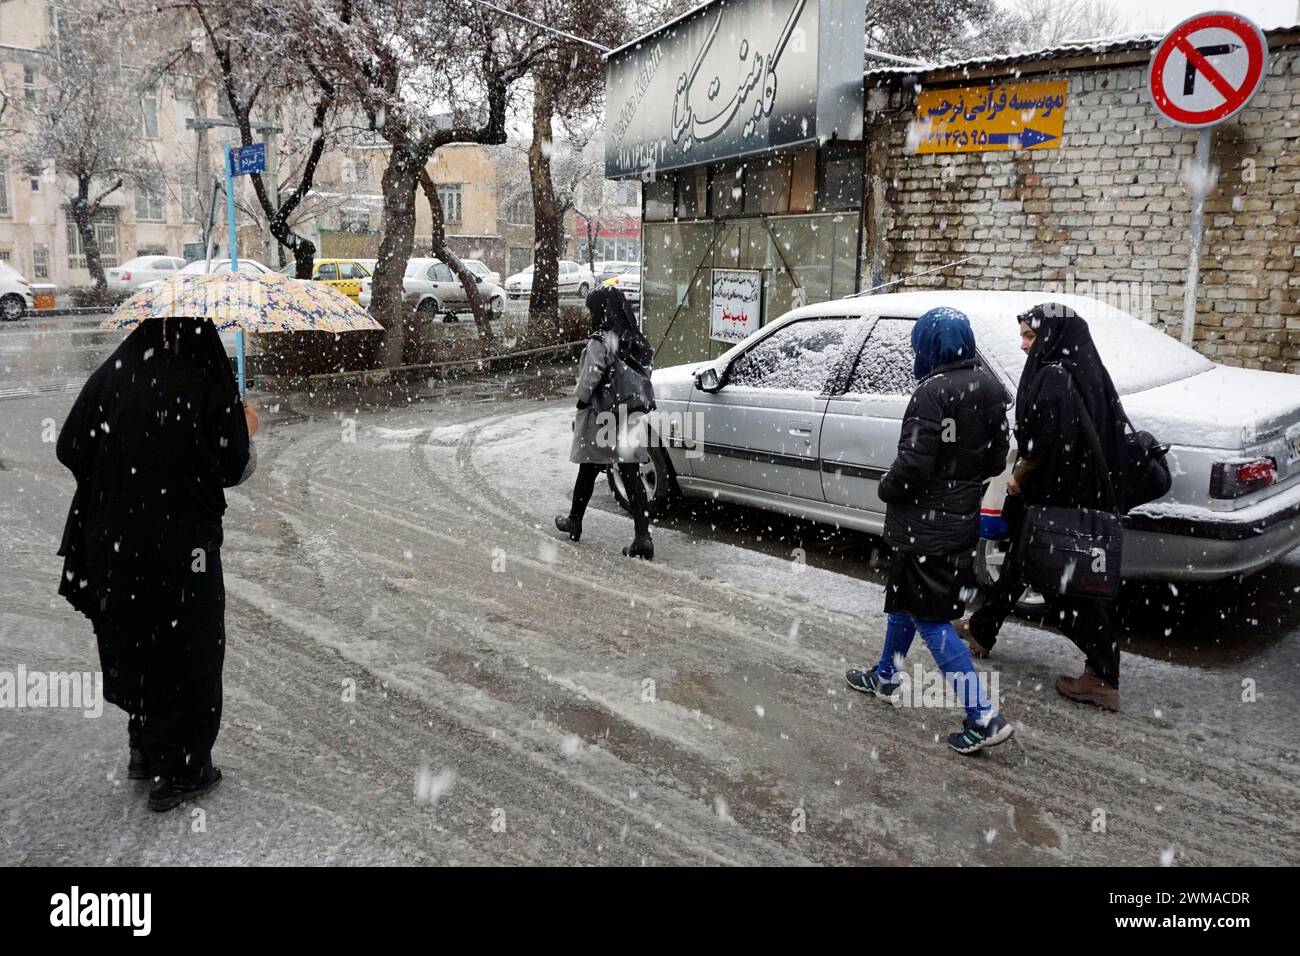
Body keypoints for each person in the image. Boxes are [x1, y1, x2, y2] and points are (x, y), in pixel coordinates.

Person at [57, 317, 255, 811]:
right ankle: (184, 771)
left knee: (138, 640)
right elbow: (233, 468)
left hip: (113, 543)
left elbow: (69, 446)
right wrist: (244, 428)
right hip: (183, 550)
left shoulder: (116, 371)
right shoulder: (206, 380)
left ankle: (145, 751)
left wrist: (119, 479)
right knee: (190, 651)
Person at [844, 307, 1014, 754]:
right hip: (959, 519)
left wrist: (888, 487)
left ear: (929, 346)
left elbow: (914, 464)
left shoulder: (932, 393)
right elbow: (997, 459)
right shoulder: (992, 387)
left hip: (924, 524)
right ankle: (886, 675)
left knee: (931, 617)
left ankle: (983, 714)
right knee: (907, 595)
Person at [994, 302, 1128, 710]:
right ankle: (983, 629)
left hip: (1060, 498)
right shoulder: (1086, 368)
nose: (1023, 346)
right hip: (1079, 493)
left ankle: (1102, 675)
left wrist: (1020, 476)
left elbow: (1046, 439)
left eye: (1030, 336)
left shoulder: (1053, 375)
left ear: (1051, 337)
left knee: (1069, 585)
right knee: (1022, 558)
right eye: (1021, 335)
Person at [554, 286, 656, 559]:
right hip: (629, 414)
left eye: (592, 310)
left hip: (602, 415)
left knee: (588, 469)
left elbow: (591, 377)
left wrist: (581, 401)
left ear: (601, 311)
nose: (589, 315)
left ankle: (575, 521)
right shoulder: (632, 339)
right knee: (632, 475)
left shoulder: (600, 342)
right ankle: (642, 537)